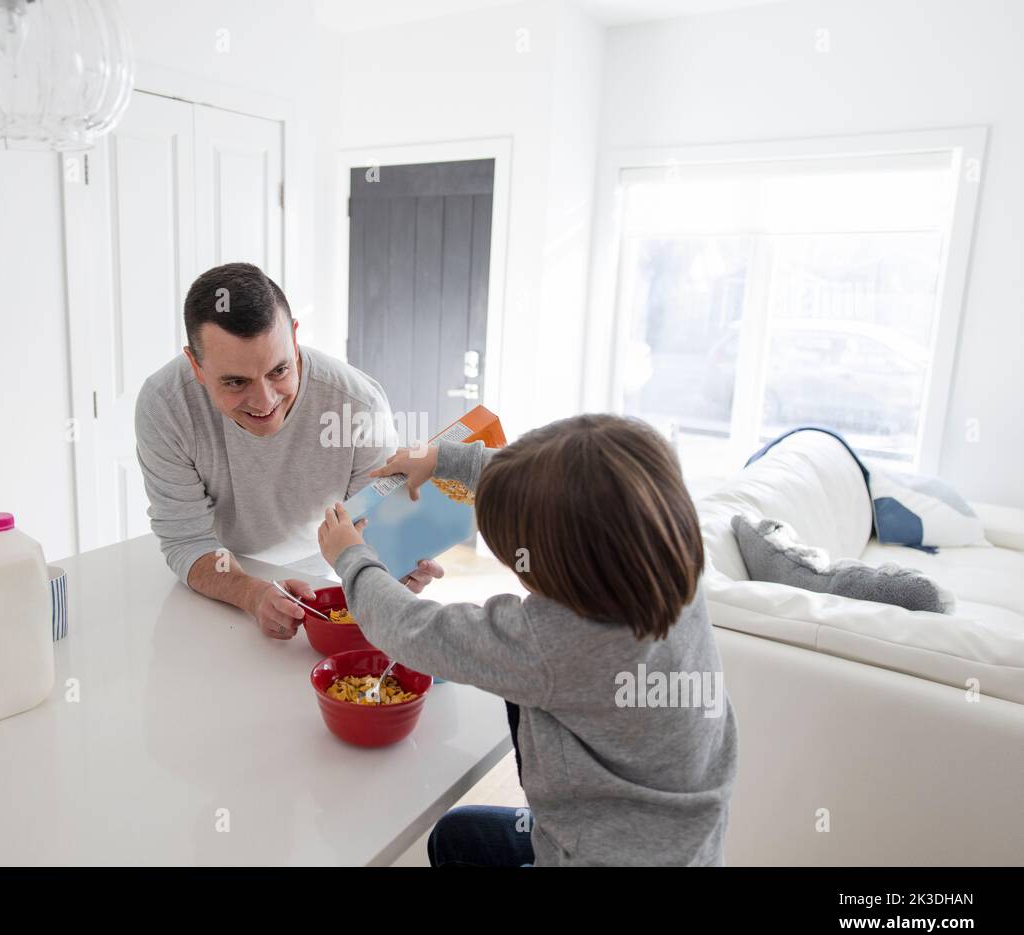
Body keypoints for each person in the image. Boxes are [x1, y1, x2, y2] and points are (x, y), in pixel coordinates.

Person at [315, 414, 738, 866]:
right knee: (456, 836)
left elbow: (412, 631)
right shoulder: (670, 569)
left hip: (587, 856)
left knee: (453, 840)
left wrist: (351, 557)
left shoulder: (555, 642)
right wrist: (445, 460)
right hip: (686, 847)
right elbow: (571, 487)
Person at [136, 262, 442, 640]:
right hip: (216, 576)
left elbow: (372, 525)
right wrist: (251, 592)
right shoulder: (165, 405)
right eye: (235, 382)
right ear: (196, 366)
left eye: (279, 371)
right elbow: (187, 540)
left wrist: (393, 573)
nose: (265, 402)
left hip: (325, 573)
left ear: (294, 339)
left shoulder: (358, 405)